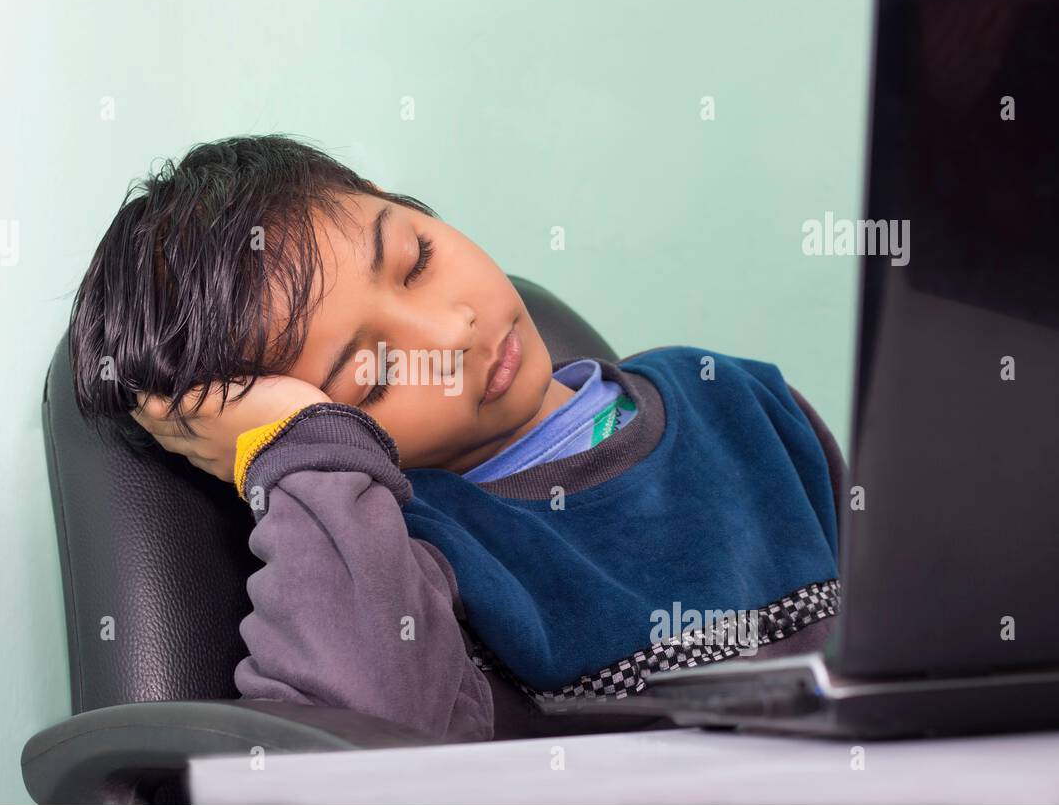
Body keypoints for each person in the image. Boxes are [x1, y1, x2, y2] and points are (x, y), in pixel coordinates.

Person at [69, 134, 845, 742]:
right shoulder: (410, 561)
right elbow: (362, 752)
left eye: (416, 262)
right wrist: (297, 447)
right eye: (371, 378)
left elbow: (924, 650)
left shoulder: (744, 403)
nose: (454, 331)